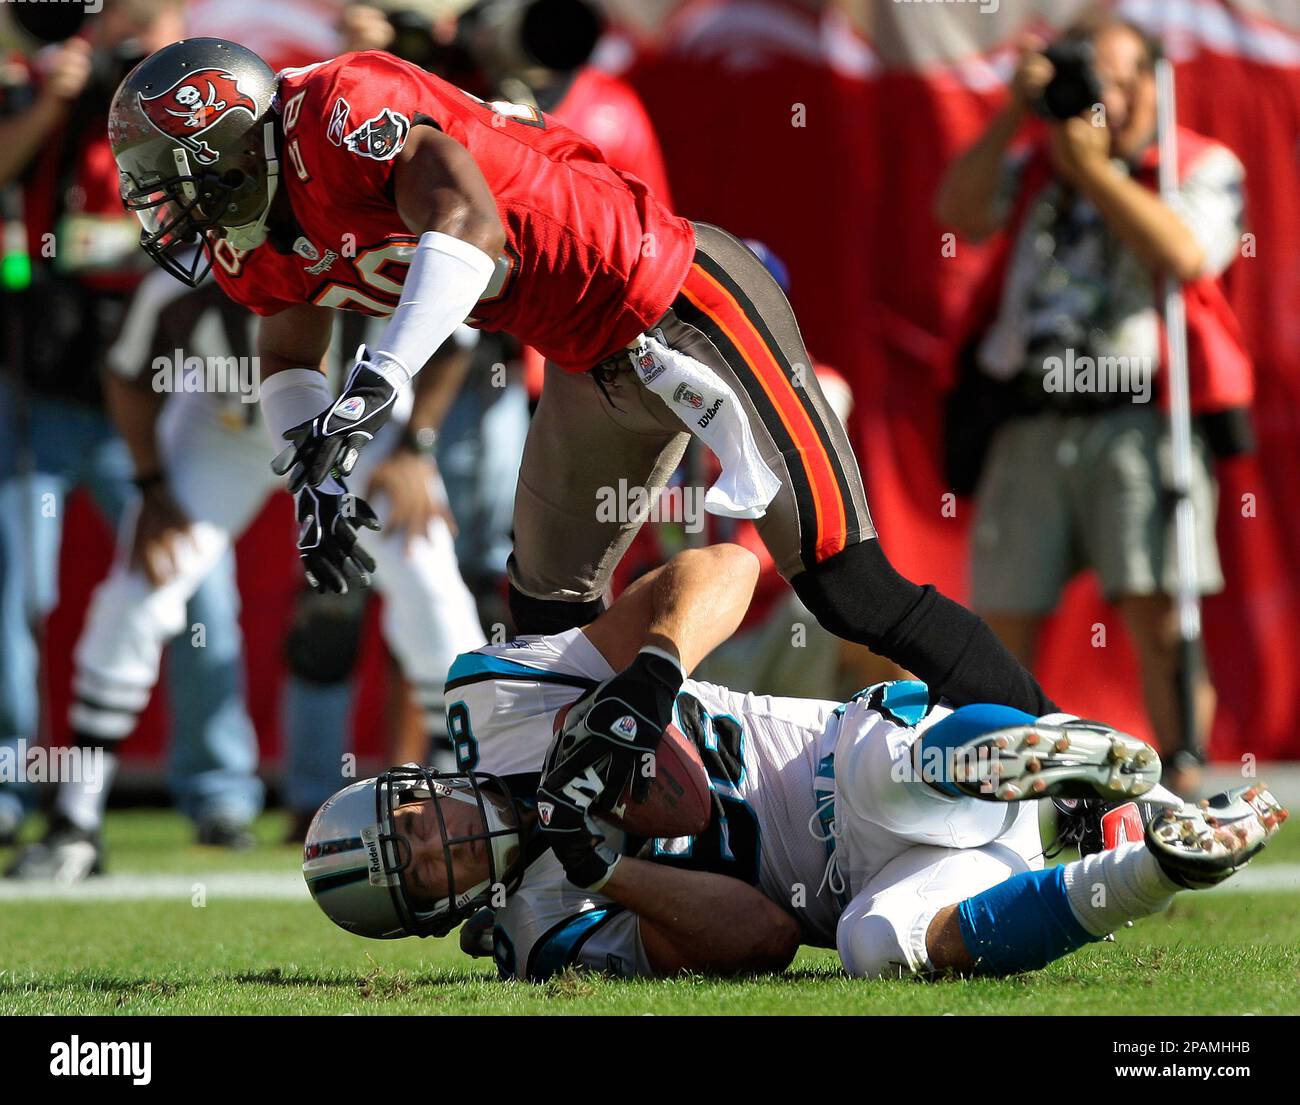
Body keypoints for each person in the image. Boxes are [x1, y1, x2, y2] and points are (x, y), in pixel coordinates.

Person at [106, 38, 1058, 725]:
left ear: (224, 144)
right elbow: (284, 350)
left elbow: (467, 225)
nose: (163, 210)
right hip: (581, 354)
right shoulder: (256, 236)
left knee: (850, 586)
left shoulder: (340, 110)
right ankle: (630, 848)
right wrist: (314, 473)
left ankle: (1069, 755)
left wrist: (378, 382)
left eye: (167, 178)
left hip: (678, 300)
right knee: (547, 622)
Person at [301, 544, 1286, 980]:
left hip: (845, 756)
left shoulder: (499, 699)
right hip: (889, 880)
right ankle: (1166, 861)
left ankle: (1054, 756)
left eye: (409, 819)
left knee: (882, 776)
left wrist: (651, 673)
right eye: (422, 865)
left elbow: (725, 565)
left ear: (411, 784)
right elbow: (765, 938)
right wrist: (608, 870)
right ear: (437, 911)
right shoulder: (542, 931)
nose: (439, 836)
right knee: (873, 948)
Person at [6, 258, 485, 879]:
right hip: (226, 426)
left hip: (357, 436)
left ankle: (472, 800)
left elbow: (458, 336)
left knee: (430, 588)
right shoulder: (183, 285)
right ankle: (76, 818)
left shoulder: (366, 254)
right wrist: (151, 487)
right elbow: (127, 374)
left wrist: (418, 445)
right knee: (143, 589)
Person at [934, 15, 1253, 795]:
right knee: (1003, 617)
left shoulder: (1198, 163)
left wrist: (1099, 172)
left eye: (1112, 76)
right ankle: (1001, 795)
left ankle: (1182, 791)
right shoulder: (1038, 163)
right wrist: (1016, 113)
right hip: (1030, 413)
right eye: (1083, 74)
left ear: (1151, 81)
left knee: (1160, 613)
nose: (1098, 94)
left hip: (1140, 415)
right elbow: (957, 210)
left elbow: (1184, 254)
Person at [0, 0, 264, 858]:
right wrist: (54, 95)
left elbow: (202, 243)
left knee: (194, 596)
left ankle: (218, 790)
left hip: (164, 392)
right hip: (45, 384)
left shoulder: (203, 105)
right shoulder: (50, 92)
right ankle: (19, 793)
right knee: (18, 598)